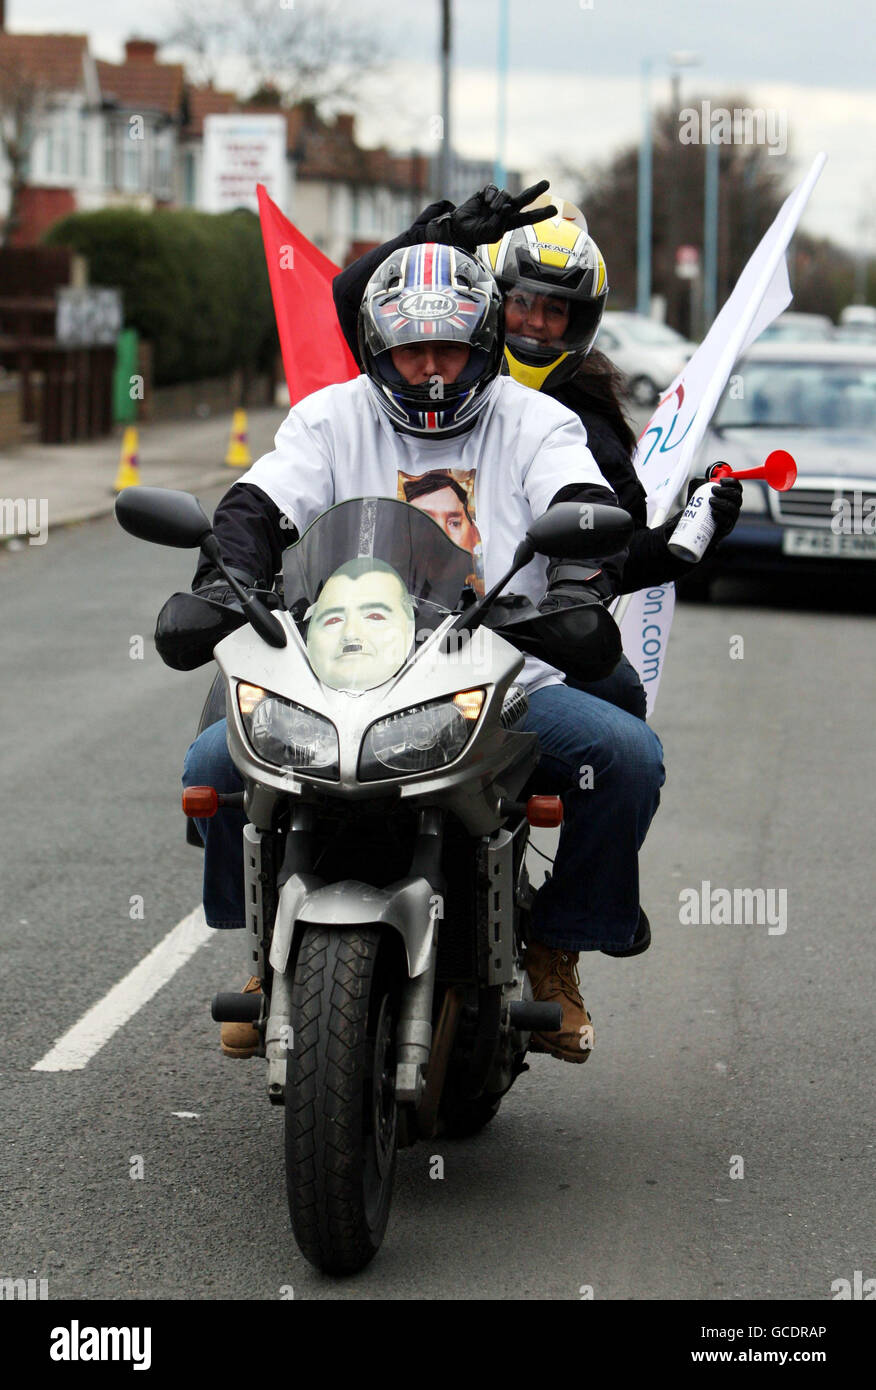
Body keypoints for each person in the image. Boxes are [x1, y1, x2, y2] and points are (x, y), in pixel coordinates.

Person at [177, 222, 665, 1065]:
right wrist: (226, 583)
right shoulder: (329, 419)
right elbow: (258, 505)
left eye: (447, 348)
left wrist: (581, 589)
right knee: (214, 765)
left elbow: (581, 503)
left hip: (507, 678)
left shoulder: (538, 421)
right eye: (411, 352)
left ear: (482, 343)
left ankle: (557, 944)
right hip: (339, 677)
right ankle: (263, 953)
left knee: (627, 759)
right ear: (378, 350)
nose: (431, 368)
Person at [332, 186, 743, 729]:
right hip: (378, 622)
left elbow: (610, 552)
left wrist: (680, 542)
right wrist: (442, 236)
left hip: (515, 644)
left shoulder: (587, 427)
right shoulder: (407, 379)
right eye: (521, 301)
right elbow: (354, 299)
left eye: (556, 310)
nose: (536, 323)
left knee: (621, 722)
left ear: (582, 323)